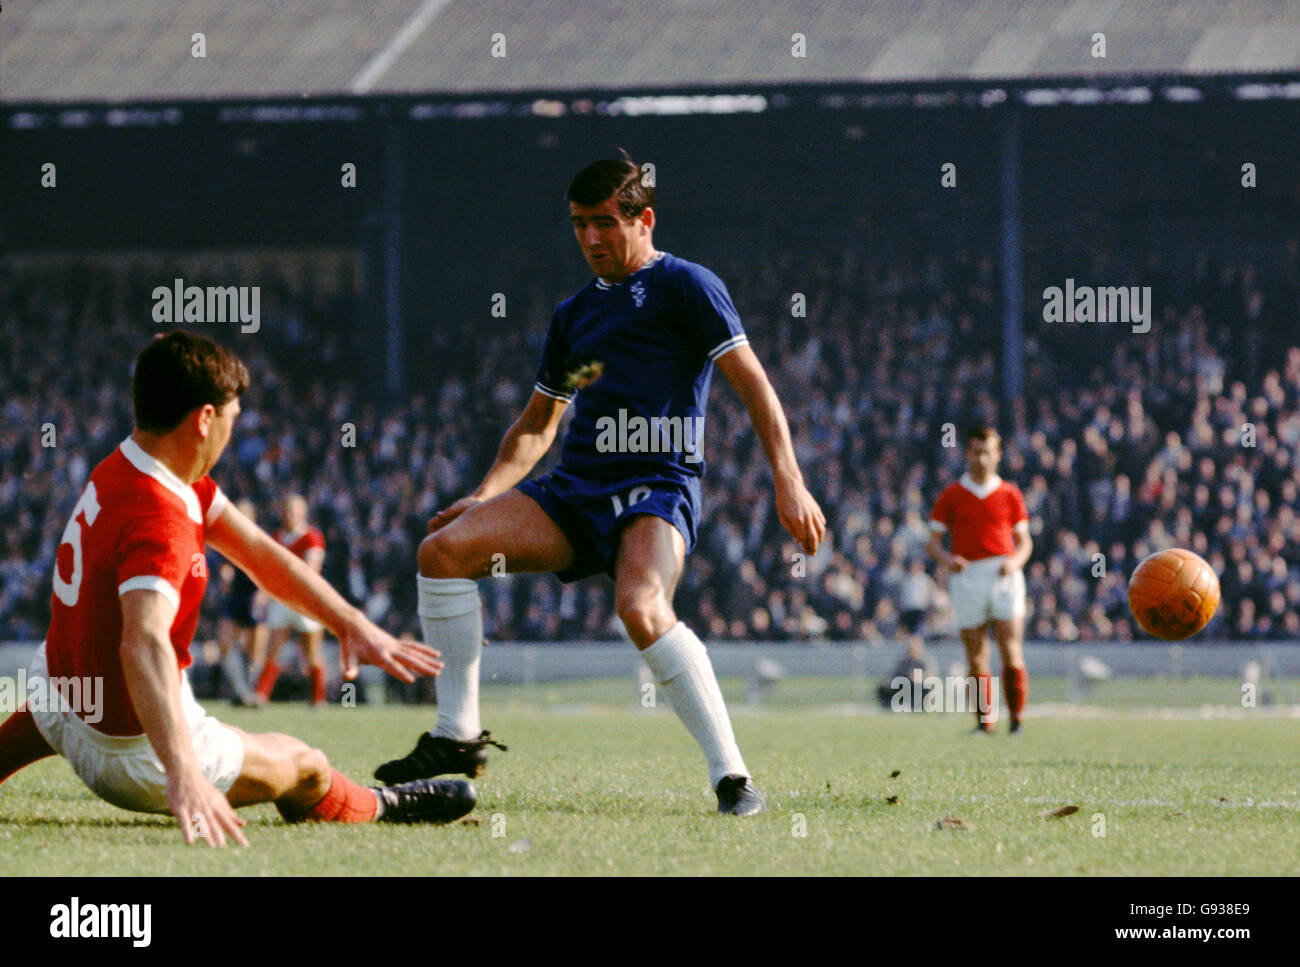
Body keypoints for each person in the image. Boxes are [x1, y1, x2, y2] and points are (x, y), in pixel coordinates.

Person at [376, 154, 826, 815]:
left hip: (657, 484)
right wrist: (484, 493)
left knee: (640, 607)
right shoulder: (574, 314)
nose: (590, 239)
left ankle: (733, 777)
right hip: (576, 489)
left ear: (644, 219)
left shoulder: (687, 286)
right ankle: (456, 737)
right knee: (442, 551)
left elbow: (752, 382)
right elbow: (537, 425)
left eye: (605, 223)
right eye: (579, 225)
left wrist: (789, 478)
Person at [0, 332, 474, 845]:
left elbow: (262, 556)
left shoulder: (133, 462)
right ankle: (384, 803)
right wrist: (183, 770)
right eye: (232, 416)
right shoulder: (161, 513)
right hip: (130, 754)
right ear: (204, 419)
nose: (233, 429)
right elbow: (143, 641)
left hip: (57, 695)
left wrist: (352, 624)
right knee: (305, 765)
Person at [926, 425, 1032, 733]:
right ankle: (985, 723)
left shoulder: (1010, 494)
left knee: (1010, 649)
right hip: (968, 575)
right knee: (976, 655)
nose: (981, 458)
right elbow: (933, 541)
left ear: (997, 455)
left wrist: (1015, 562)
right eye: (975, 451)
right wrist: (948, 560)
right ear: (967, 453)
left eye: (987, 452)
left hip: (1003, 573)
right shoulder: (952, 494)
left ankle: (1017, 720)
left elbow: (1025, 542)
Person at [253, 495, 329, 707]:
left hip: (306, 602)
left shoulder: (312, 537)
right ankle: (260, 696)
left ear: (302, 514)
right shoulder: (278, 536)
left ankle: (317, 699)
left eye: (293, 511)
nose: (289, 516)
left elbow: (310, 570)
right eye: (287, 511)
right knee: (273, 647)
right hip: (282, 599)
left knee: (312, 653)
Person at [215, 498, 262, 706]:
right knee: (224, 642)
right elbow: (225, 566)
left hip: (255, 596)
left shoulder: (260, 541)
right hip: (235, 597)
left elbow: (268, 572)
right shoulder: (228, 539)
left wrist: (263, 595)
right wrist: (226, 575)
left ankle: (252, 690)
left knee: (254, 650)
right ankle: (240, 690)